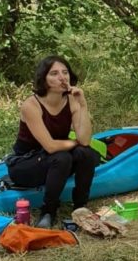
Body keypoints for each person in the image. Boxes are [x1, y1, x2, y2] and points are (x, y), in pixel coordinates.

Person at [7, 56, 101, 227]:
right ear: (44, 79)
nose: (62, 77)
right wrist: (75, 143)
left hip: (54, 159)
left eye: (65, 72)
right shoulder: (31, 105)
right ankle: (48, 211)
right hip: (26, 164)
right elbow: (50, 146)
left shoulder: (72, 99)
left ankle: (80, 208)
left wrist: (83, 105)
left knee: (86, 154)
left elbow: (85, 140)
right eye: (54, 73)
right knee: (62, 157)